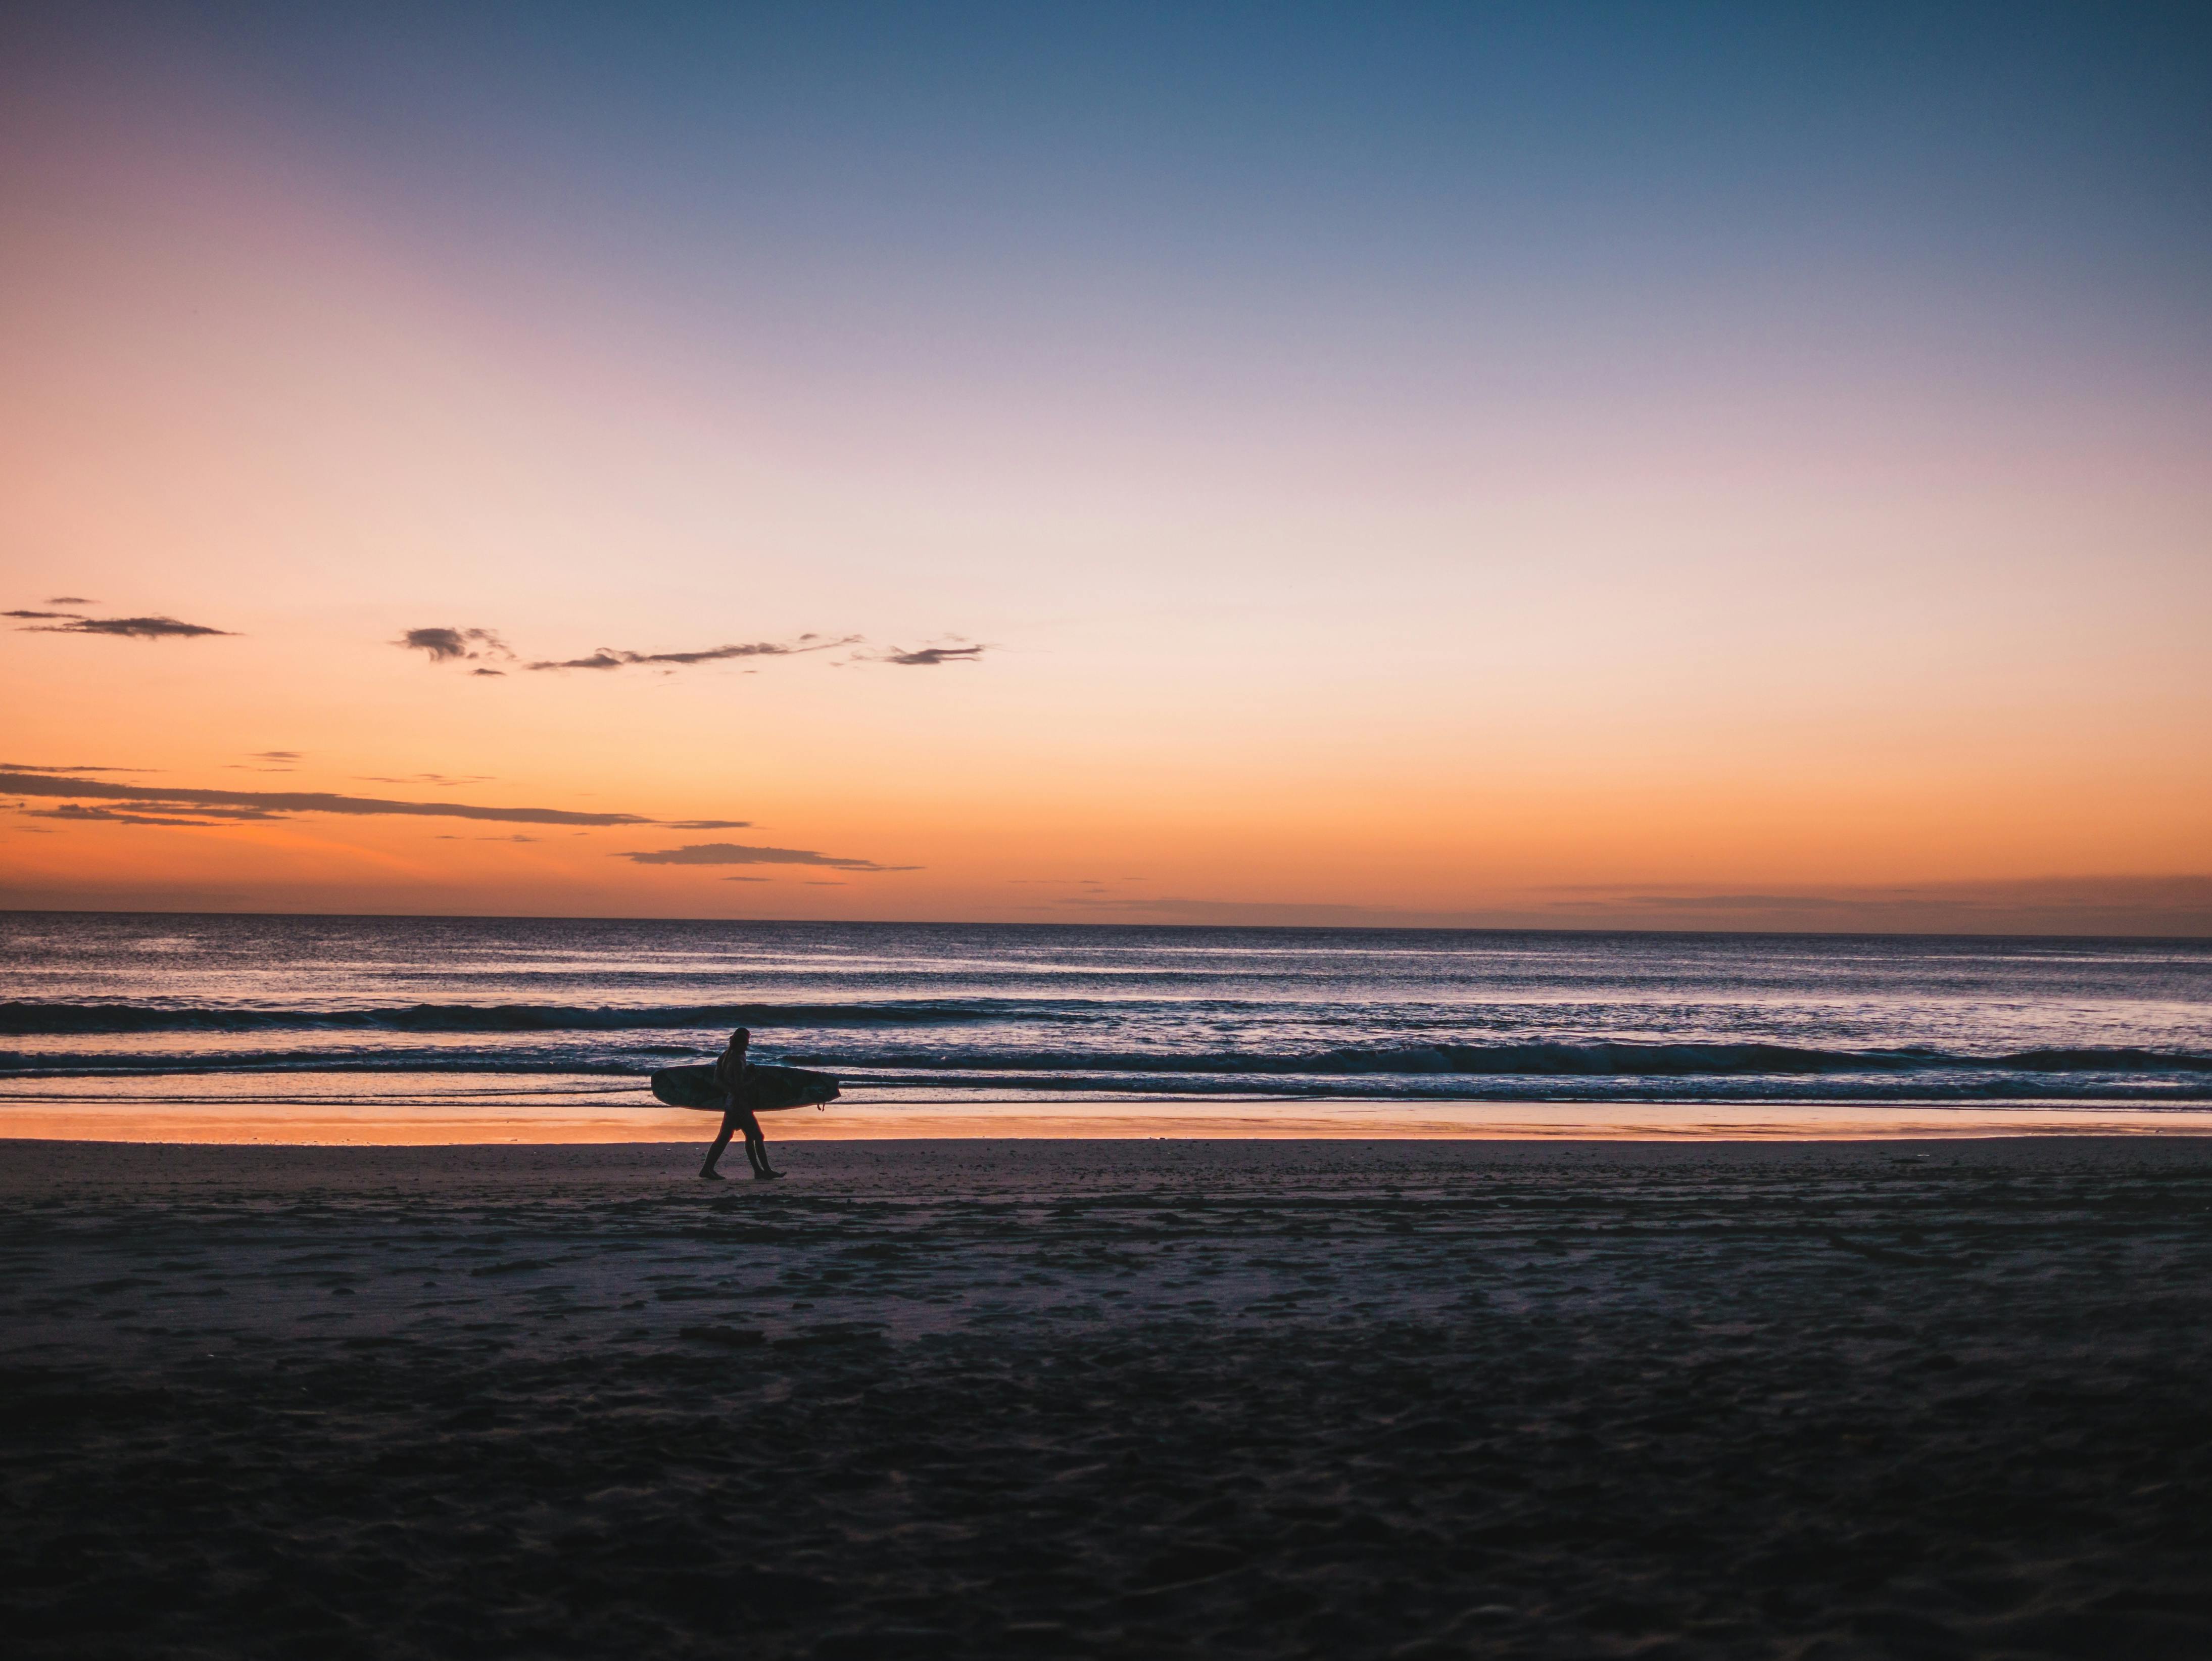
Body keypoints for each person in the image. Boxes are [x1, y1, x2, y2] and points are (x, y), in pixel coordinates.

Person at [700, 1026, 782, 1180]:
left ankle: (708, 1169)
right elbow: (739, 1087)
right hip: (739, 1105)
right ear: (739, 1044)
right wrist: (752, 1077)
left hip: (731, 1103)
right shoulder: (738, 1060)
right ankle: (765, 1171)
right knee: (757, 1136)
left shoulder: (724, 1056)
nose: (748, 1046)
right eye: (746, 1043)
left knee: (728, 1137)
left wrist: (729, 1090)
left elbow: (717, 1081)